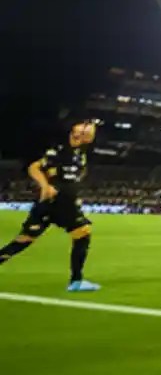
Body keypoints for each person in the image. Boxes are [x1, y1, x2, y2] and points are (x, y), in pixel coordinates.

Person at [0, 121, 101, 291]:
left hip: (54, 203)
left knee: (24, 240)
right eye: (88, 130)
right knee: (83, 233)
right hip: (59, 202)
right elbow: (34, 167)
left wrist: (73, 189)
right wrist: (45, 186)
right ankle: (76, 281)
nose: (92, 134)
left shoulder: (79, 153)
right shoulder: (60, 151)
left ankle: (76, 281)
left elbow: (76, 175)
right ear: (76, 133)